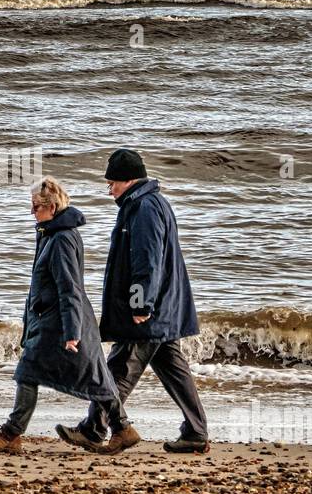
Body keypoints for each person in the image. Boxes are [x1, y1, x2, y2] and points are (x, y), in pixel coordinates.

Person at [56, 148, 210, 454]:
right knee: (174, 372)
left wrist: (141, 305)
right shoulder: (145, 204)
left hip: (152, 311)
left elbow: (147, 261)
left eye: (112, 182)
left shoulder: (145, 208)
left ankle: (95, 429)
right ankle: (196, 431)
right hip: (164, 309)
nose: (109, 188)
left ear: (128, 180)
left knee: (120, 369)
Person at [0, 176, 139, 455]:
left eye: (36, 207)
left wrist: (72, 332)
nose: (32, 212)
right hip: (51, 320)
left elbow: (69, 287)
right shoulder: (50, 234)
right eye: (32, 206)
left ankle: (11, 435)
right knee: (91, 376)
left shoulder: (61, 239)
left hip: (61, 323)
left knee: (39, 372)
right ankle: (123, 428)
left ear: (52, 207)